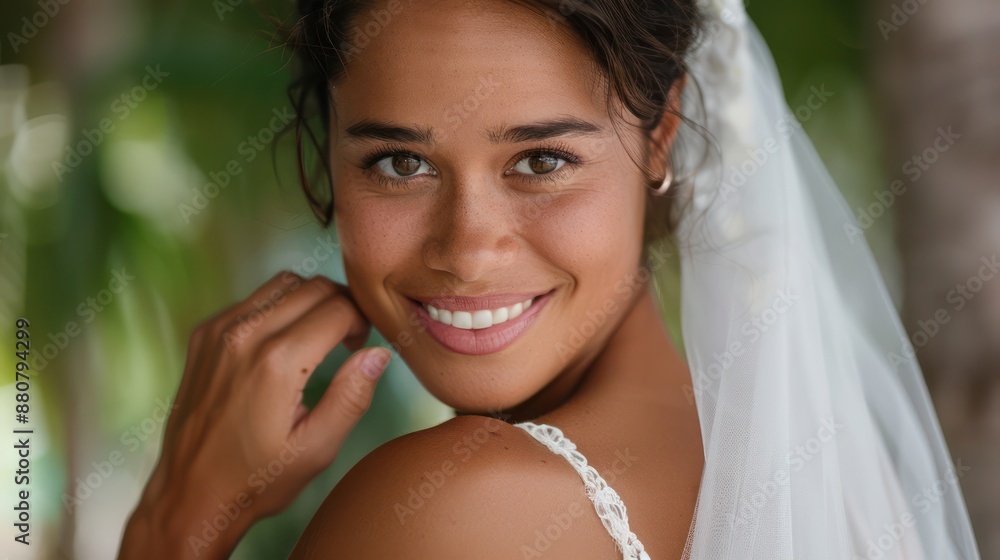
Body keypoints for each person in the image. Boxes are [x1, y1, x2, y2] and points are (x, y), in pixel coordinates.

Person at [118, 0, 982, 558]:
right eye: (399, 162)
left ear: (659, 136)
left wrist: (176, 523)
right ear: (325, 150)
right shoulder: (807, 475)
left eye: (541, 159)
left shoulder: (450, 514)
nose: (467, 249)